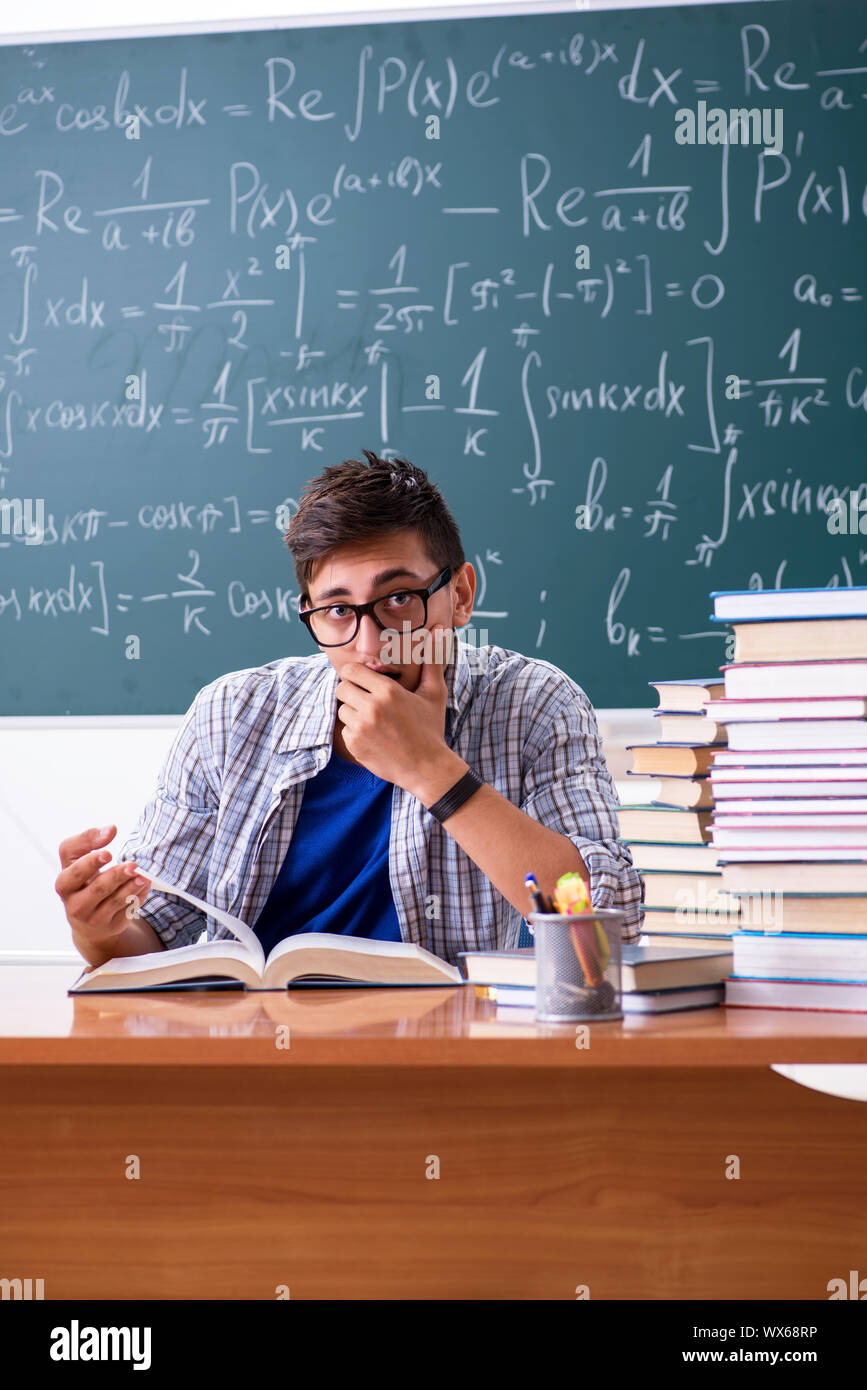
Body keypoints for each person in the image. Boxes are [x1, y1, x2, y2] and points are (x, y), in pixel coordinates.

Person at [57, 449, 644, 969]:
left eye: (398, 599)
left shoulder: (534, 704)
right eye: (338, 610)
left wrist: (430, 769)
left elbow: (601, 929)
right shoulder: (230, 715)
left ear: (460, 595)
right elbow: (151, 938)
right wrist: (99, 929)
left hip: (451, 1063)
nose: (370, 645)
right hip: (255, 1061)